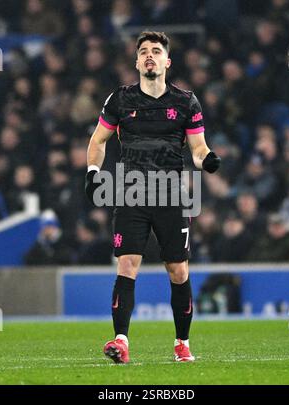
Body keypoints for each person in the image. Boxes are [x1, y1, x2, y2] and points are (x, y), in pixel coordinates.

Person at [85, 31, 221, 363]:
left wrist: (208, 160)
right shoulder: (120, 99)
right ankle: (120, 342)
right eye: (143, 51)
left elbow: (198, 148)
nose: (149, 55)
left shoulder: (185, 101)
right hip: (131, 192)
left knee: (178, 269)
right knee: (128, 263)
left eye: (156, 51)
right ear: (136, 62)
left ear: (167, 61)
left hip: (172, 194)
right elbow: (98, 141)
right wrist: (92, 172)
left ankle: (182, 343)